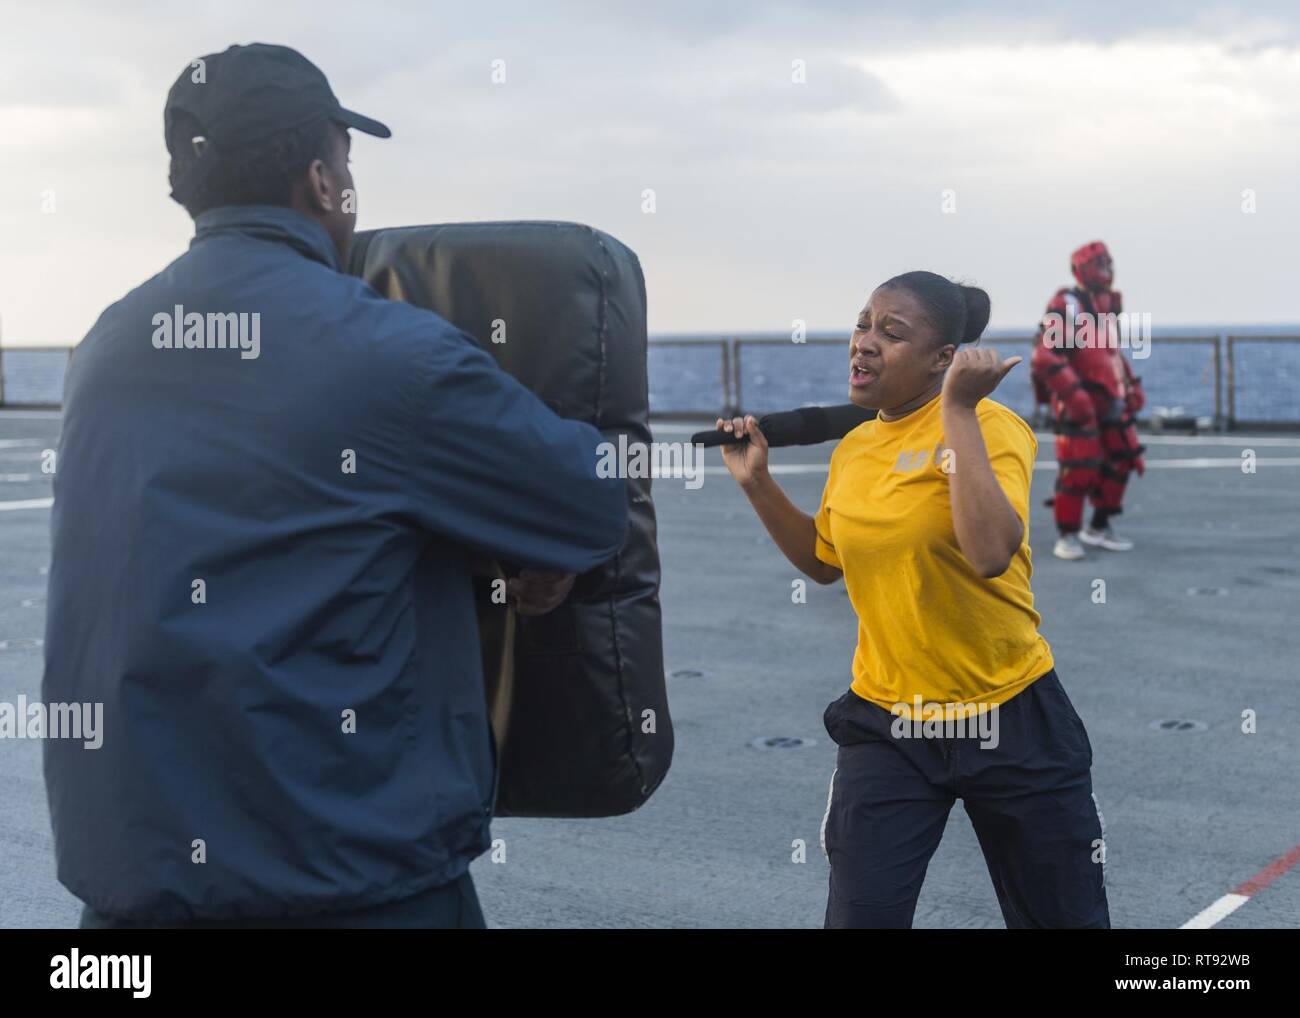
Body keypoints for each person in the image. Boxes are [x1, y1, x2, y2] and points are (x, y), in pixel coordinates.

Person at [42, 43, 628, 928]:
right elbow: (589, 501)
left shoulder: (103, 349)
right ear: (321, 180)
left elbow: (268, 517)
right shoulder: (391, 353)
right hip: (347, 887)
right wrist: (505, 545)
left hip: (130, 894)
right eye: (347, 164)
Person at [716, 271, 1109, 928]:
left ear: (942, 359)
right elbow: (822, 562)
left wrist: (957, 411)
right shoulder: (856, 449)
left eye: (892, 333)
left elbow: (991, 552)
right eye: (863, 324)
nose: (865, 342)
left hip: (1009, 714)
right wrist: (757, 483)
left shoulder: (993, 427)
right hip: (890, 724)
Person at [1030, 241, 1145, 561]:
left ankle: (1098, 526)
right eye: (1100, 265)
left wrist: (1130, 385)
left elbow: (1111, 353)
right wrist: (1074, 396)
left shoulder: (1105, 306)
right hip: (1079, 403)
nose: (1106, 271)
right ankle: (1067, 535)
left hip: (1109, 399)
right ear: (1082, 269)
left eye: (1108, 264)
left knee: (1123, 457)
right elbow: (1045, 355)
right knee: (1079, 468)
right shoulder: (1067, 304)